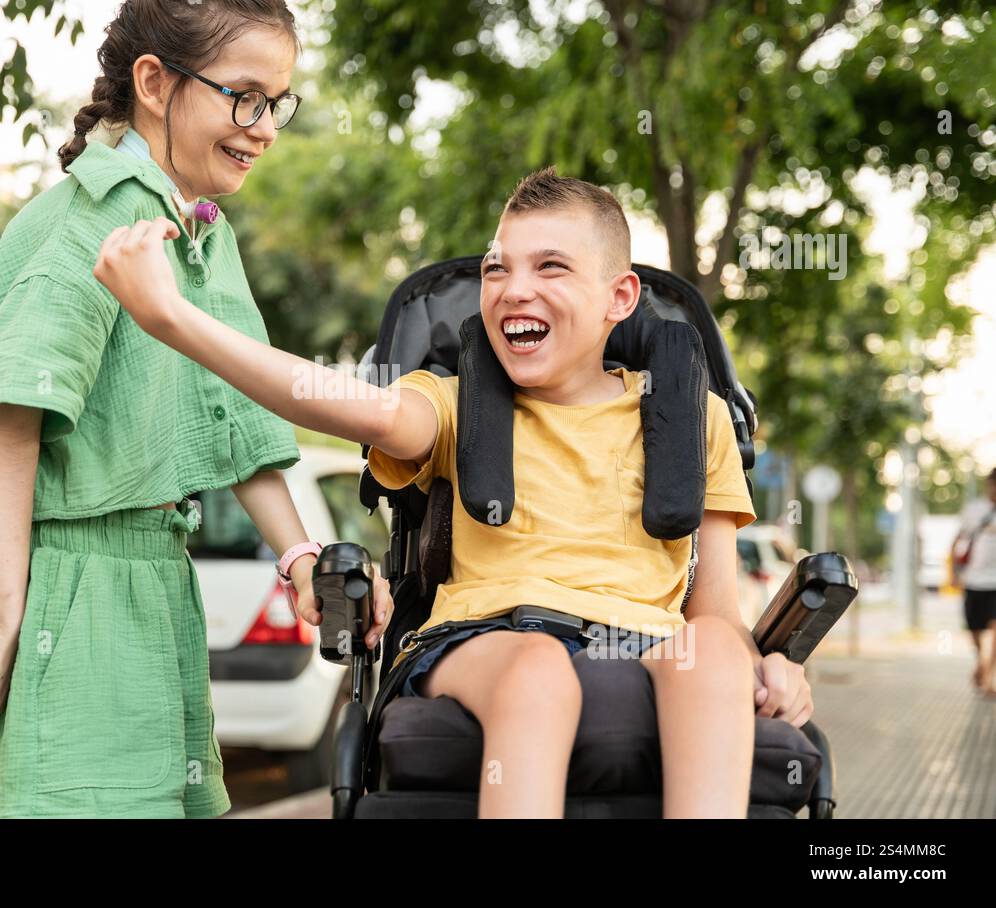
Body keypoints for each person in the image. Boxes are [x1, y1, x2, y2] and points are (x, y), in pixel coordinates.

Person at [91, 166, 814, 818]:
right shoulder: (457, 403)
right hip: (491, 636)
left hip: (643, 639)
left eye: (550, 267)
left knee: (714, 650)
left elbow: (715, 605)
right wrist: (173, 320)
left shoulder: (692, 417)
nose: (513, 288)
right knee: (539, 671)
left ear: (619, 297)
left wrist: (763, 663)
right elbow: (340, 401)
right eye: (499, 267)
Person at [0, 0, 390, 818]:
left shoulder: (201, 233)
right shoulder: (94, 217)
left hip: (153, 589)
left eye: (277, 103)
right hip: (74, 598)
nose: (264, 127)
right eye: (243, 97)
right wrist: (4, 628)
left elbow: (241, 419)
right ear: (153, 82)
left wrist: (296, 558)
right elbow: (4, 414)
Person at [952, 468, 996, 694]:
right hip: (974, 580)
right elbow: (958, 540)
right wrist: (953, 572)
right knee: (975, 630)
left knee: (994, 630)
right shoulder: (974, 510)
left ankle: (988, 678)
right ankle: (982, 663)